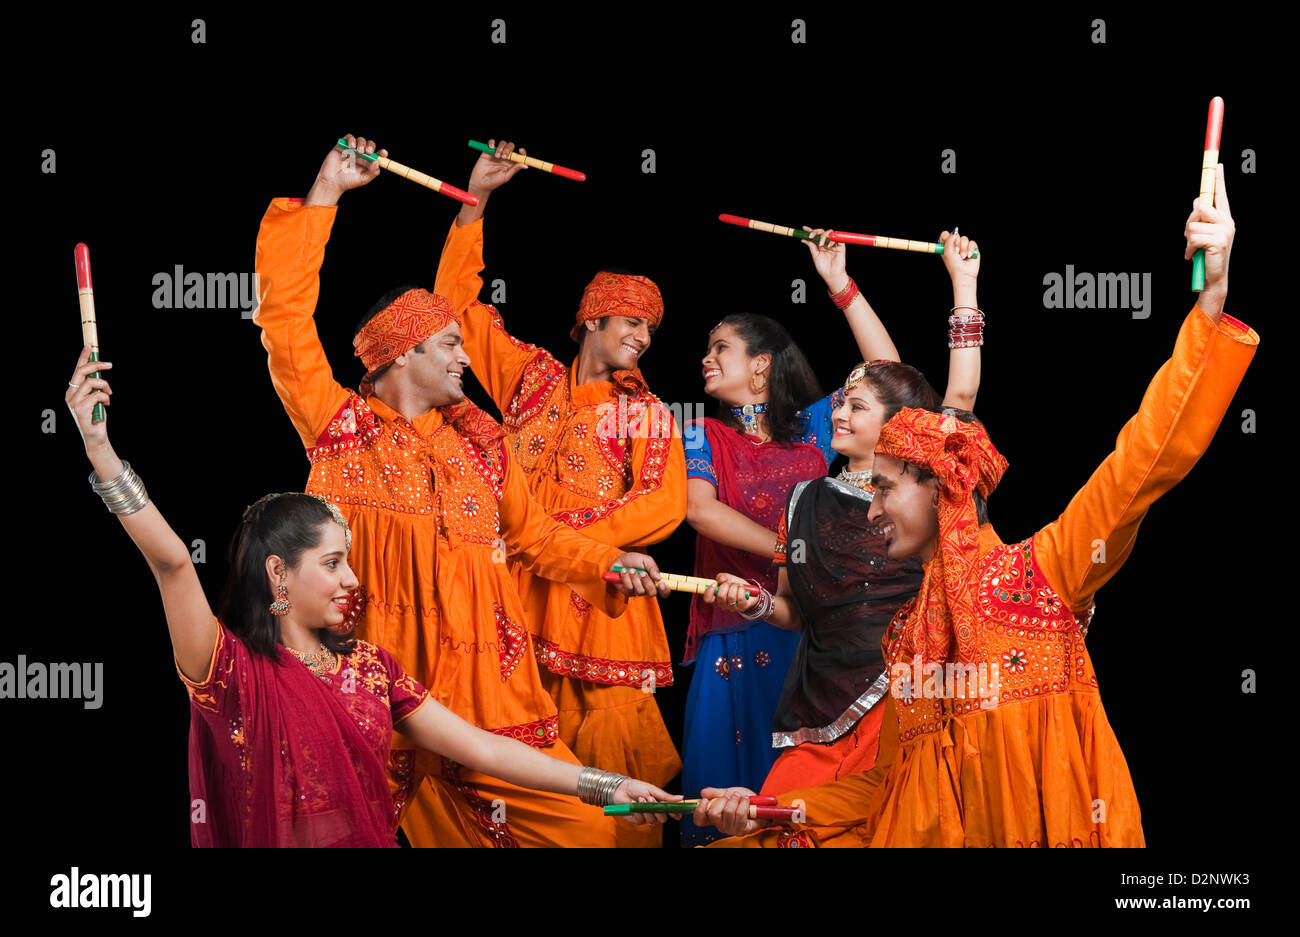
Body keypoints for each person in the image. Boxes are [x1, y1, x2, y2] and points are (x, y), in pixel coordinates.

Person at [696, 166, 1256, 846]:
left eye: (886, 488)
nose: (871, 512)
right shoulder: (908, 639)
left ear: (939, 486)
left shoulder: (1043, 573)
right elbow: (885, 783)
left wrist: (1211, 299)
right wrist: (772, 810)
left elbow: (1146, 457)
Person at [63, 348, 679, 847]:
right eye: (333, 563)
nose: (354, 580)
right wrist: (100, 452)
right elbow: (173, 563)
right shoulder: (230, 670)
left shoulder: (372, 672)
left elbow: (485, 748)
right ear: (277, 575)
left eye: (350, 561)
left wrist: (610, 785)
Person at [253, 134, 672, 848]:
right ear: (400, 353)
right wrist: (325, 192)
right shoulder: (339, 427)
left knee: (595, 835)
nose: (465, 356)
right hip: (370, 701)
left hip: (487, 702)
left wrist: (608, 563)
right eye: (448, 343)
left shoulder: (483, 447)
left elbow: (536, 538)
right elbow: (284, 318)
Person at [430, 141, 688, 847]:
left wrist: (566, 538)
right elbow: (452, 309)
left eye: (651, 328)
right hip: (511, 590)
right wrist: (476, 199)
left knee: (611, 749)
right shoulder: (531, 377)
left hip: (596, 604)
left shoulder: (645, 409)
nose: (642, 336)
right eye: (630, 320)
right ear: (591, 321)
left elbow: (663, 504)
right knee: (510, 739)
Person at [704, 230, 983, 799]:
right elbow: (791, 610)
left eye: (857, 406)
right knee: (784, 824)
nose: (840, 410)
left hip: (909, 697)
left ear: (896, 422)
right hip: (820, 705)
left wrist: (963, 282)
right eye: (841, 402)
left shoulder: (926, 484)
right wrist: (752, 602)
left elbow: (961, 390)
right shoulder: (804, 499)